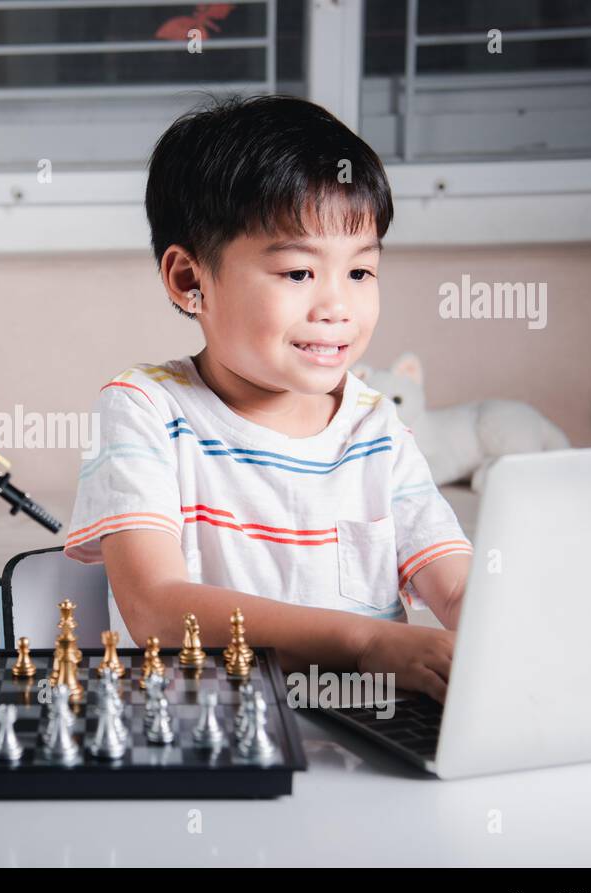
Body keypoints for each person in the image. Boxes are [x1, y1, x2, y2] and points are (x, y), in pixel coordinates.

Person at [64, 95, 471, 704]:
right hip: (205, 731)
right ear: (189, 280)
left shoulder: (376, 426)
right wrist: (364, 644)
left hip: (368, 733)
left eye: (360, 273)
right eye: (299, 273)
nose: (337, 307)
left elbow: (459, 590)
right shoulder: (146, 408)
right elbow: (155, 609)